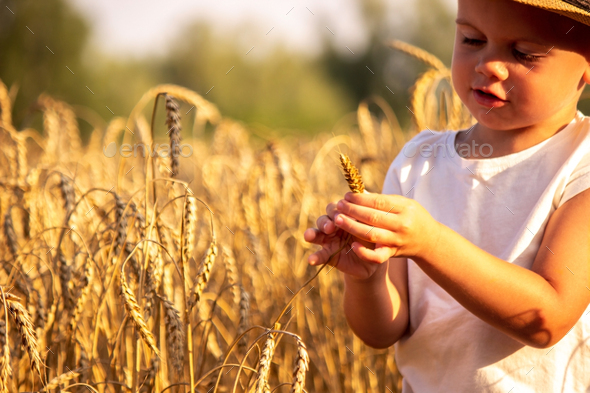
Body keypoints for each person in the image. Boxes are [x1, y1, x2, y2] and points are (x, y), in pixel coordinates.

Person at [303, 0, 590, 391]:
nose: (488, 64)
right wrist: (367, 279)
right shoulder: (417, 162)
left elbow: (547, 318)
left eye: (523, 53)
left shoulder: (581, 160)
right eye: (472, 39)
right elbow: (383, 332)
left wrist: (429, 243)